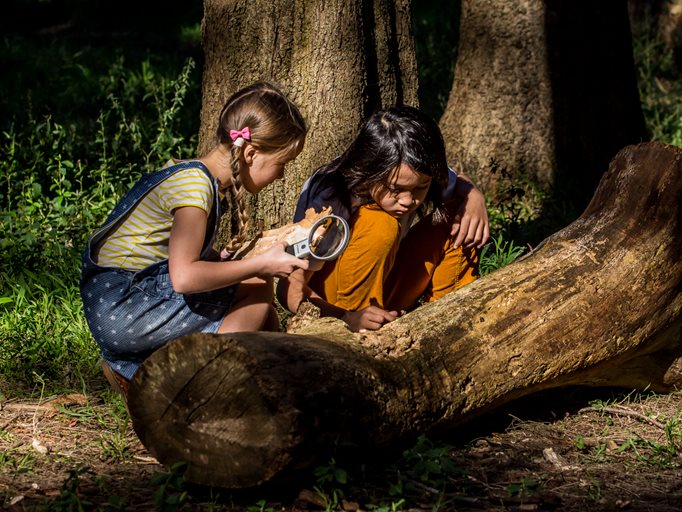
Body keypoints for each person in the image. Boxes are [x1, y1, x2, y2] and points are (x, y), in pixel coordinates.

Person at [80, 81, 310, 395]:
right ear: (252, 153)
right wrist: (261, 265)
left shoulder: (189, 175)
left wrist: (225, 261)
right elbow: (185, 278)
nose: (281, 176)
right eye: (281, 165)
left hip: (115, 305)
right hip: (125, 304)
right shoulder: (196, 189)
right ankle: (206, 389)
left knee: (263, 314)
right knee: (256, 286)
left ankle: (264, 390)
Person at [277, 106, 489, 332]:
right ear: (369, 171)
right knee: (379, 224)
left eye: (420, 188)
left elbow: (458, 181)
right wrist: (345, 318)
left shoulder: (416, 166)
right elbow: (289, 287)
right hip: (340, 309)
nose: (408, 201)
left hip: (385, 289)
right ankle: (362, 338)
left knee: (461, 215)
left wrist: (473, 197)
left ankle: (443, 326)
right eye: (395, 189)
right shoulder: (332, 197)